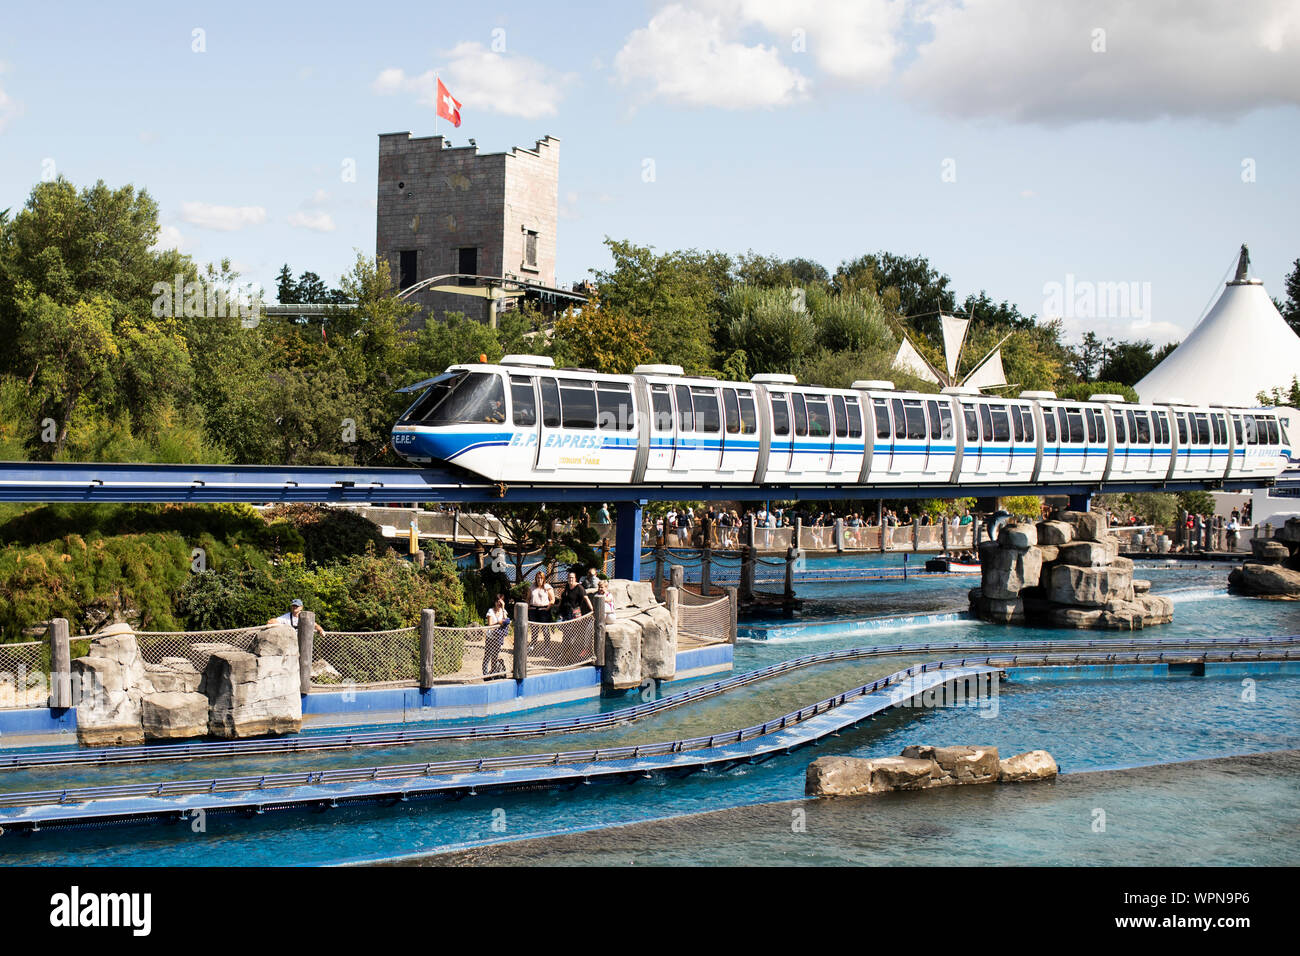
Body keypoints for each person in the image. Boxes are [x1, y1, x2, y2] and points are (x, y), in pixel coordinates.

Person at [483, 594, 509, 677]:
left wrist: (503, 607)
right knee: (487, 655)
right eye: (497, 602)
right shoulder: (490, 611)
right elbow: (490, 625)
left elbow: (506, 620)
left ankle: (492, 673)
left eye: (500, 602)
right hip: (491, 637)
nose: (499, 604)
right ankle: (485, 674)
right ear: (495, 602)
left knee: (495, 656)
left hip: (498, 637)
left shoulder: (503, 611)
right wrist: (498, 623)